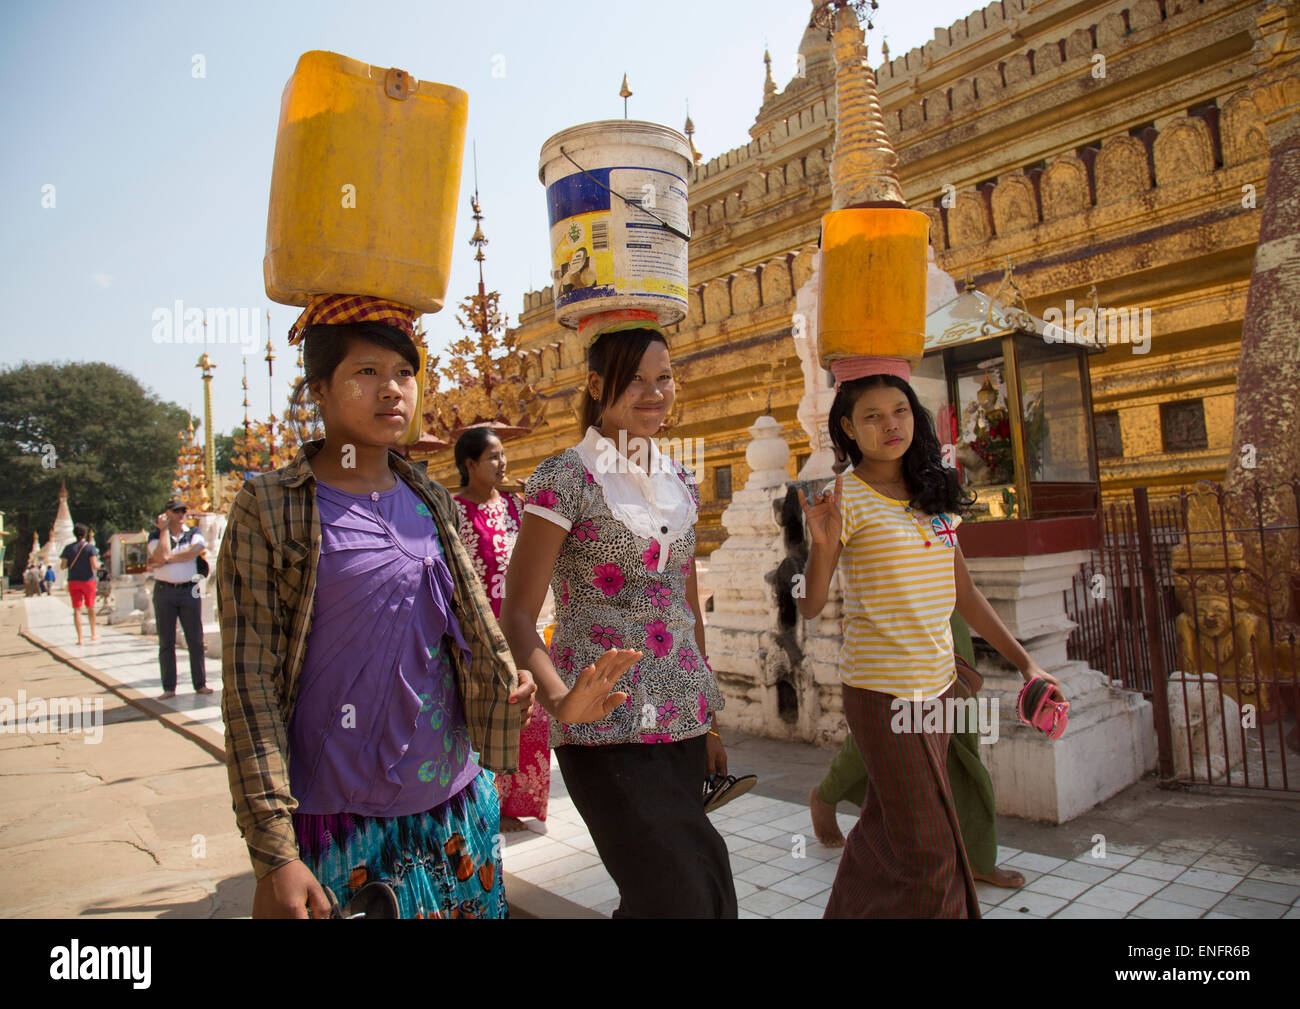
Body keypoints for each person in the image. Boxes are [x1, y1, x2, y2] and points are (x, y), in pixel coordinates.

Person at [217, 295, 555, 920]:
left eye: (404, 372)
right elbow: (249, 687)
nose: (393, 390)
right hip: (334, 823)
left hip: (453, 809)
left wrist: (514, 683)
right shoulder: (271, 508)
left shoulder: (431, 500)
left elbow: (468, 636)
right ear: (318, 389)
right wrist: (275, 850)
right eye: (365, 373)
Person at [797, 370, 1064, 918]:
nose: (889, 424)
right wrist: (821, 547)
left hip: (939, 687)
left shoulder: (932, 492)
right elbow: (811, 604)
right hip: (882, 695)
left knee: (888, 828)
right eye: (872, 416)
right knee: (931, 844)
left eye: (899, 411)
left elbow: (964, 593)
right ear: (848, 428)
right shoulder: (840, 497)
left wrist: (1027, 662)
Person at [501, 324, 737, 919]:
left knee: (690, 887)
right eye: (634, 380)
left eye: (664, 378)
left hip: (682, 713)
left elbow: (685, 601)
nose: (654, 392)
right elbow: (519, 612)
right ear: (596, 385)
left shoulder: (680, 479)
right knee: (680, 889)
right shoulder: (564, 478)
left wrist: (708, 721)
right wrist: (558, 702)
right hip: (602, 721)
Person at [809, 610, 1025, 889]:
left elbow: (962, 583)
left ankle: (975, 857)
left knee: (960, 734)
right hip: (892, 624)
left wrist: (1024, 661)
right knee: (890, 728)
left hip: (944, 618)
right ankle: (828, 794)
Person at [452, 427, 551, 832]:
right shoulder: (452, 510)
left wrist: (540, 502)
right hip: (477, 636)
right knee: (489, 716)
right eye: (492, 457)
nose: (502, 463)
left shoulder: (515, 505)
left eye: (503, 455)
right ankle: (484, 807)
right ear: (470, 465)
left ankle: (515, 806)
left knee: (531, 719)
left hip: (523, 628)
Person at [147, 499, 211, 699]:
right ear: (167, 514)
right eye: (176, 511)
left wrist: (166, 560)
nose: (181, 514)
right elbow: (160, 553)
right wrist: (164, 530)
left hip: (189, 590)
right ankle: (169, 687)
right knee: (166, 641)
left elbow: (193, 552)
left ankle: (200, 683)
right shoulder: (156, 535)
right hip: (164, 591)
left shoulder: (193, 533)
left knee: (195, 639)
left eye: (183, 510)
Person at [60, 523, 100, 645]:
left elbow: (62, 566)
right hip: (88, 581)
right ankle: (93, 633)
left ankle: (80, 639)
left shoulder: (68, 548)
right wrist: (100, 567)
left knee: (77, 609)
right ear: (86, 534)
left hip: (73, 581)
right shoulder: (90, 548)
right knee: (90, 607)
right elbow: (94, 565)